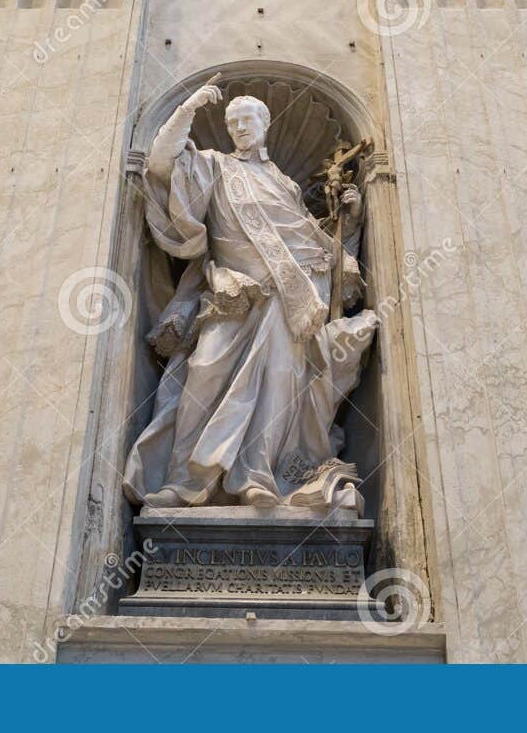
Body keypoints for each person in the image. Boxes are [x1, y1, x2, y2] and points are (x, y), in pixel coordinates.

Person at [123, 80, 378, 514]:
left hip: (289, 300)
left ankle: (257, 477)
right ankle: (183, 481)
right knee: (203, 372)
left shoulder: (285, 185)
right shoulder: (214, 167)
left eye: (249, 120)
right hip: (233, 296)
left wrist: (348, 226)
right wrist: (188, 108)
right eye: (234, 122)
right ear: (226, 129)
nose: (242, 127)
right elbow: (162, 165)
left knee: (280, 380)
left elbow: (314, 250)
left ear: (265, 125)